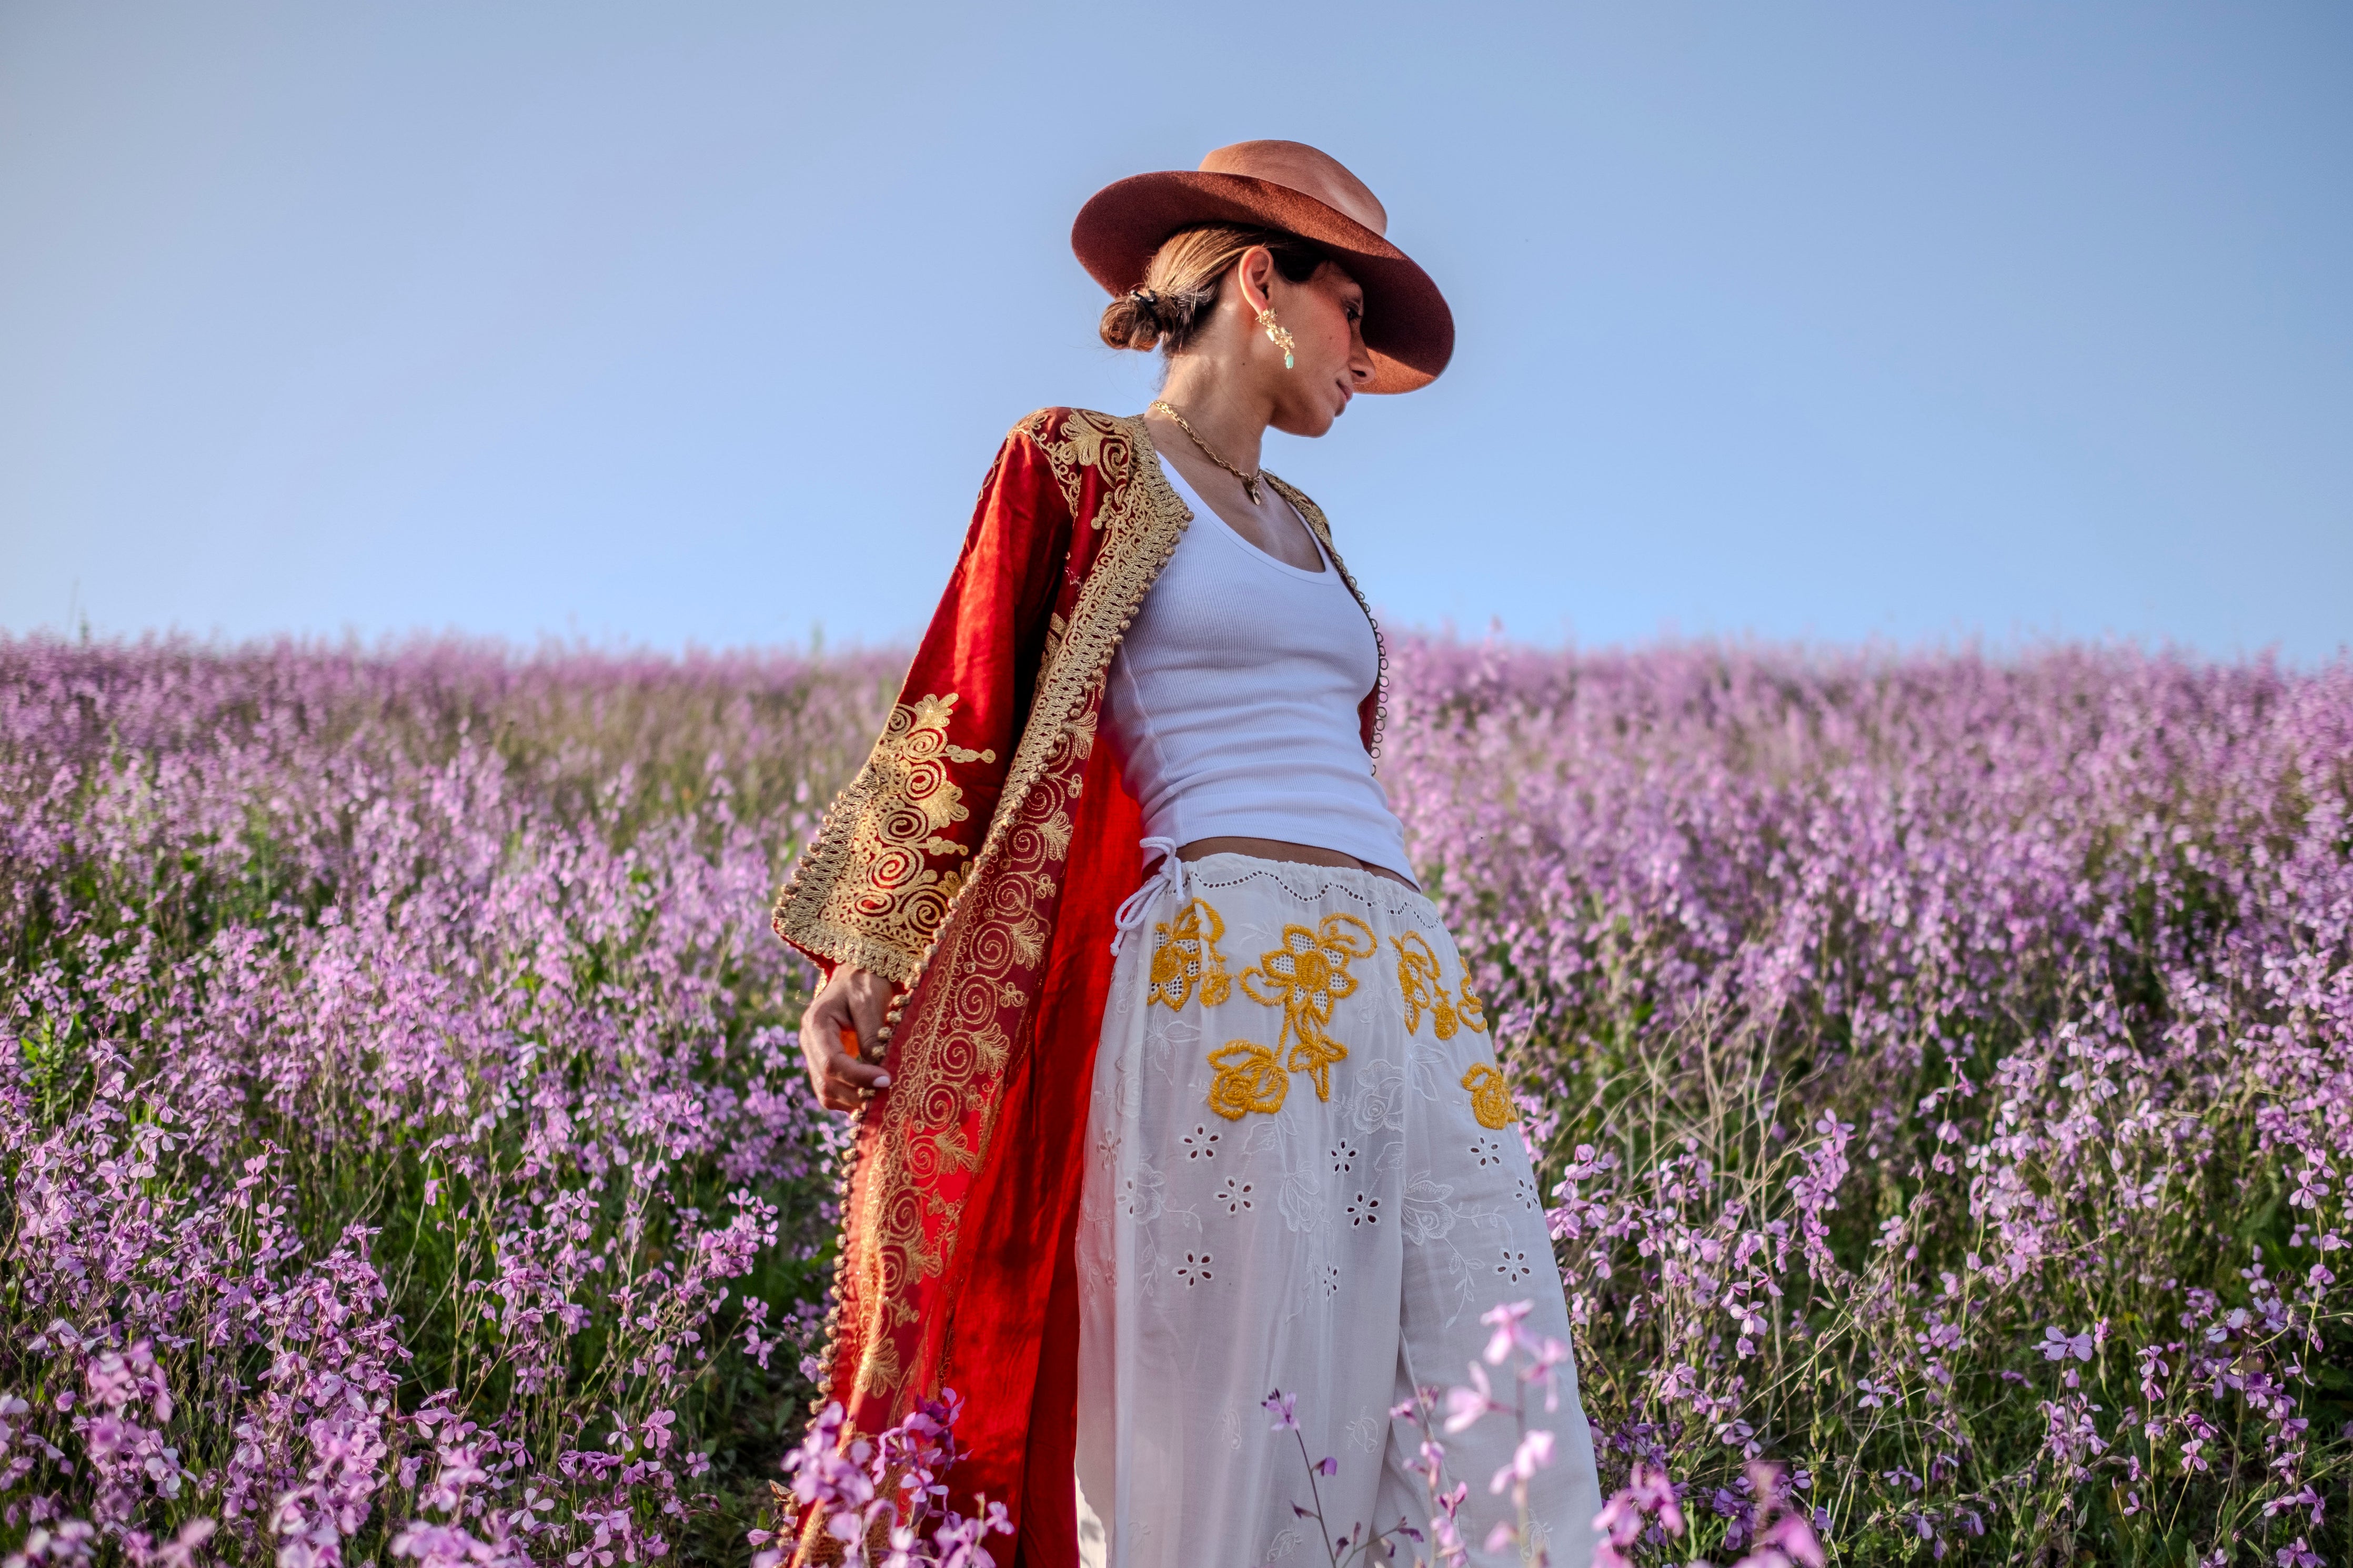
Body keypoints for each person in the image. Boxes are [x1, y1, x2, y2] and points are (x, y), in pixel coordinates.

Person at [776, 140, 1602, 1568]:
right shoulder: (1078, 463)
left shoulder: (1312, 527)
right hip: (1222, 967)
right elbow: (963, 705)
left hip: (1408, 979)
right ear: (1263, 284)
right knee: (1234, 1408)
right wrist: (867, 954)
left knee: (1494, 1376)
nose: (1364, 358)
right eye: (1354, 311)